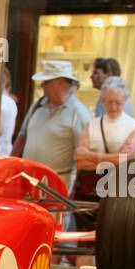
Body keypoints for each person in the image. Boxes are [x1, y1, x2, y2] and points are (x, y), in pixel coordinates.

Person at [11, 60, 91, 194]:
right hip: (28, 181)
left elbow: (82, 158)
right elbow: (22, 138)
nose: (42, 85)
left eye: (46, 82)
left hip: (55, 185)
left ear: (59, 83)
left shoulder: (79, 113)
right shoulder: (38, 106)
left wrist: (73, 192)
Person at [74, 76, 135, 198]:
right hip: (89, 191)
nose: (113, 107)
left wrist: (90, 157)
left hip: (119, 191)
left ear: (126, 100)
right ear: (102, 100)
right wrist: (113, 161)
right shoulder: (91, 125)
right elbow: (80, 161)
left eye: (118, 102)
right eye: (109, 102)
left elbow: (123, 161)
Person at [0, 69, 18, 156]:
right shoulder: (11, 102)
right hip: (7, 149)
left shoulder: (1, 101)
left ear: (3, 82)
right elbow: (12, 131)